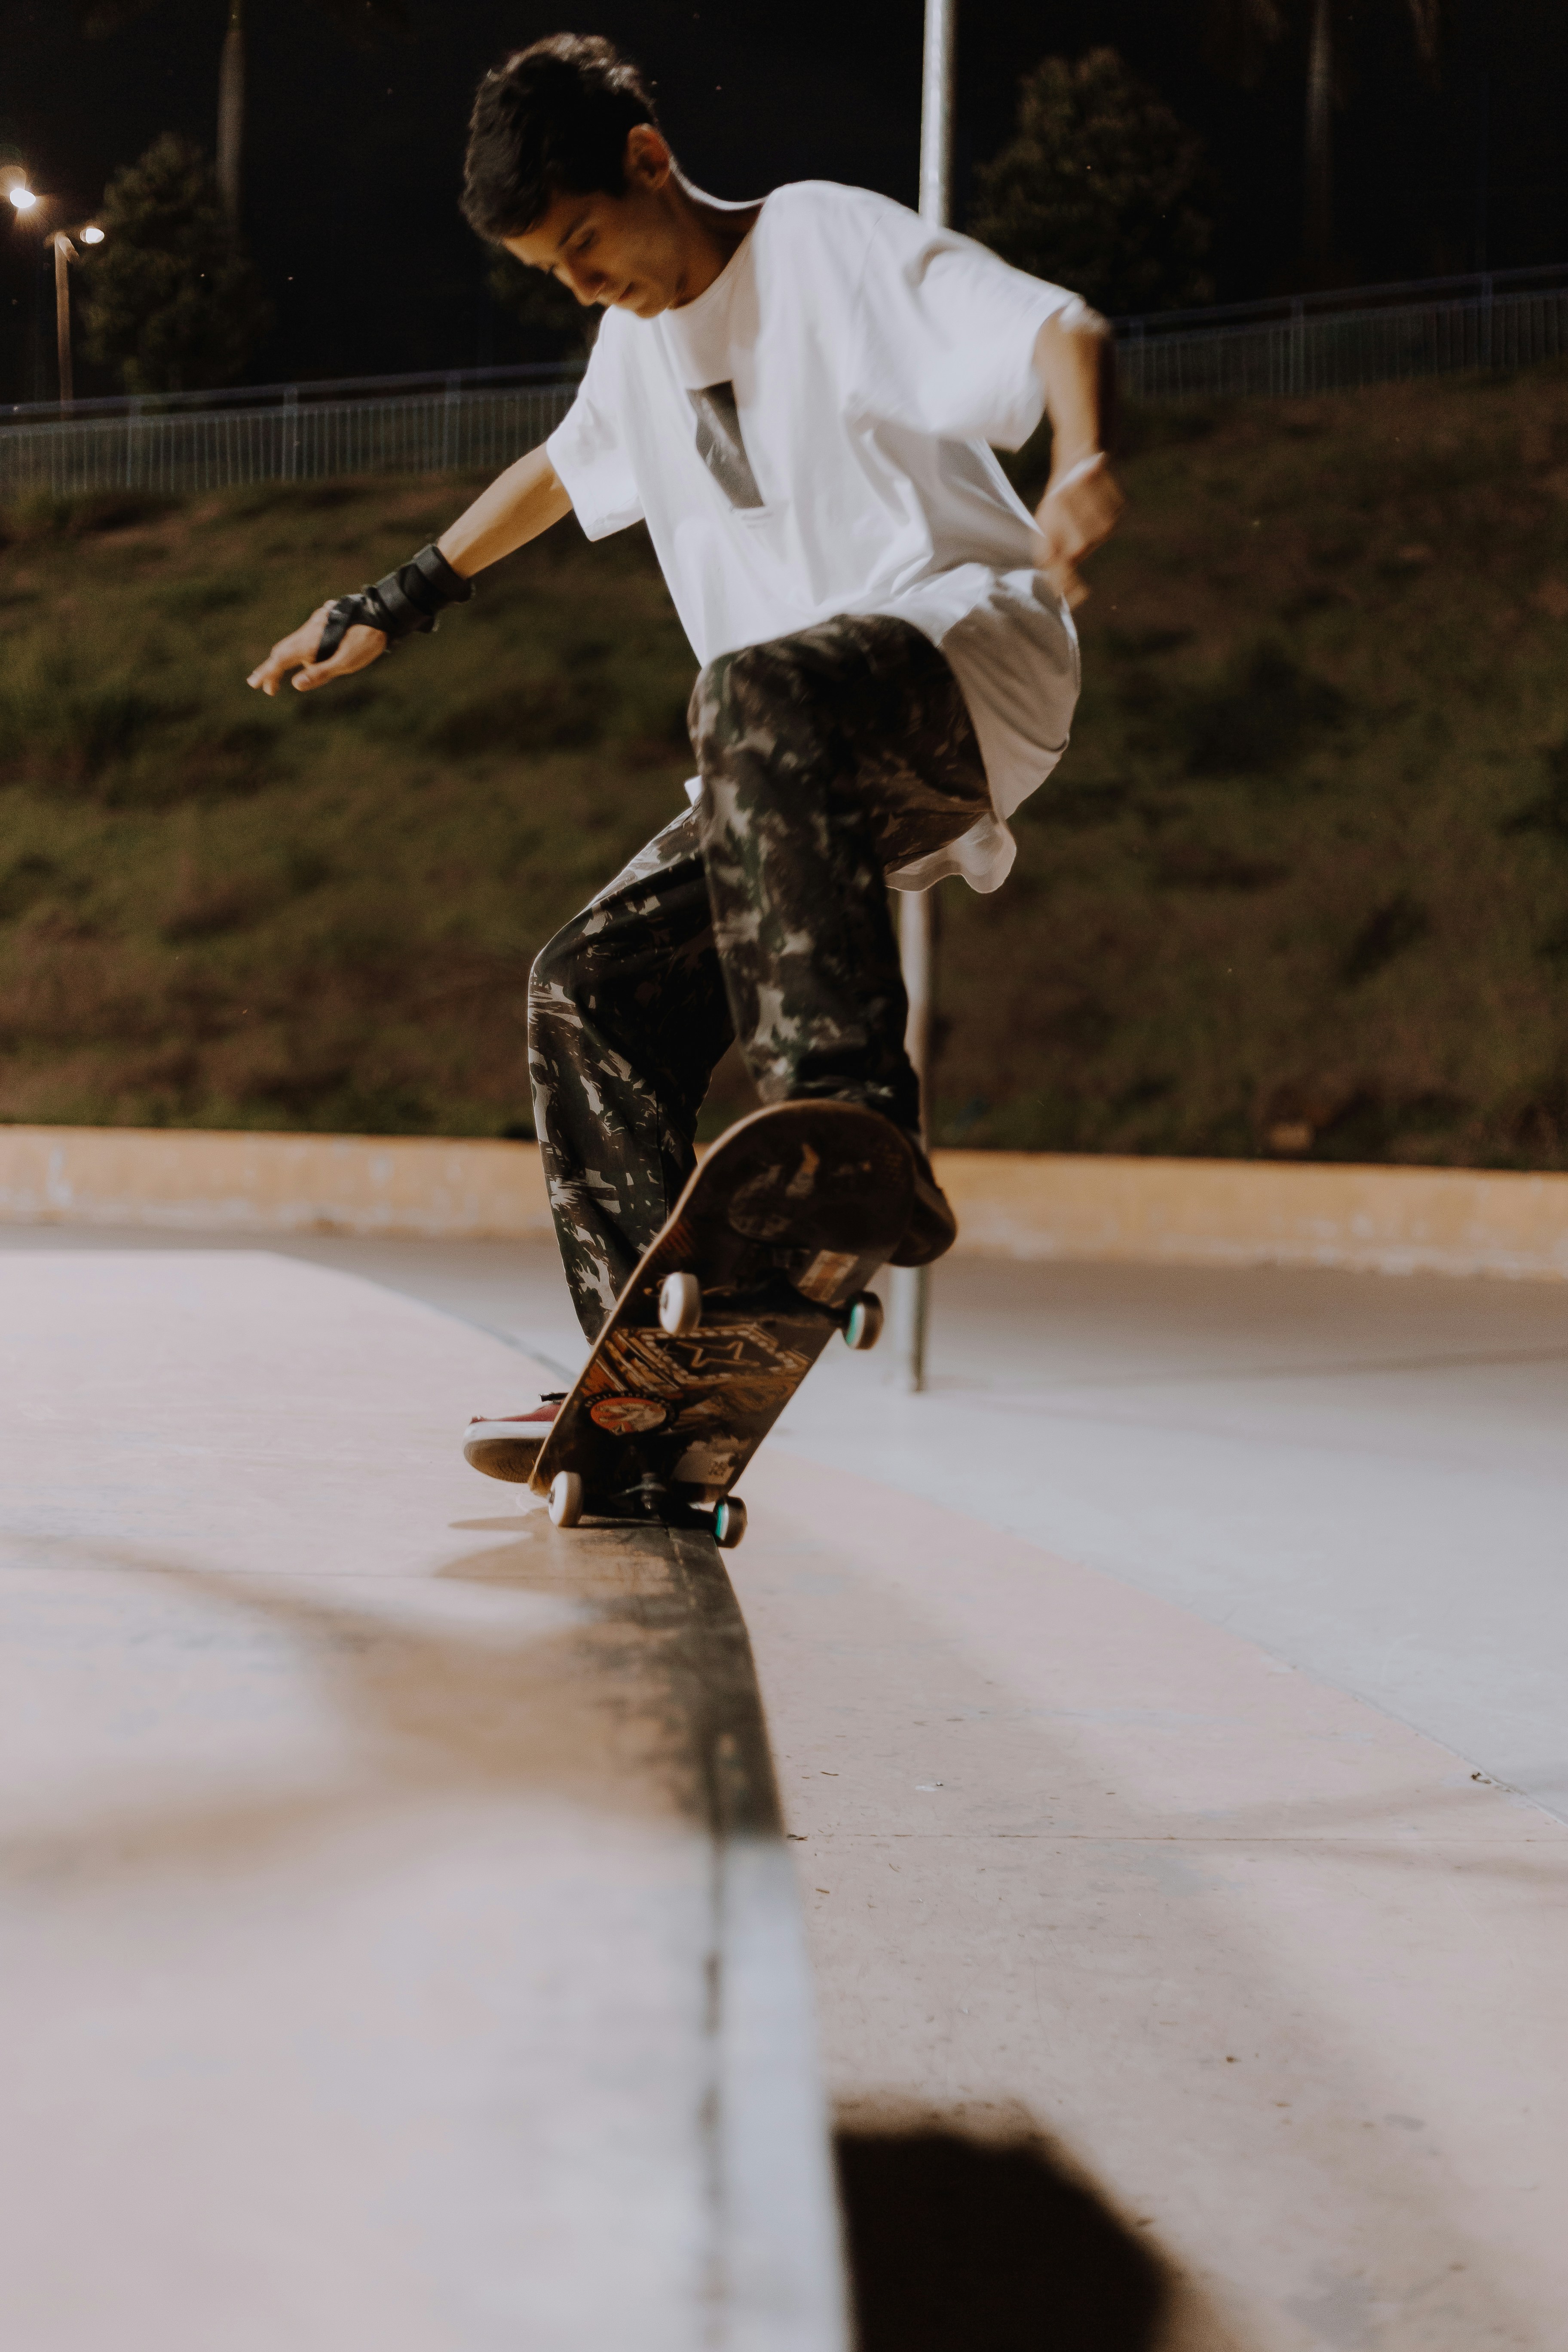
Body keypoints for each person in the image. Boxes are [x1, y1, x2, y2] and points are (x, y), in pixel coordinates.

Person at [248, 33, 1122, 1446]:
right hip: (793, 766)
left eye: (588, 244)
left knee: (744, 697)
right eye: (555, 273)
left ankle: (851, 1136)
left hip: (962, 665)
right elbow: (559, 468)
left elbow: (1054, 329)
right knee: (584, 987)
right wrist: (393, 603)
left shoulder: (825, 243)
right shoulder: (635, 344)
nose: (587, 286)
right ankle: (645, 1382)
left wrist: (1081, 458)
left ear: (650, 161)